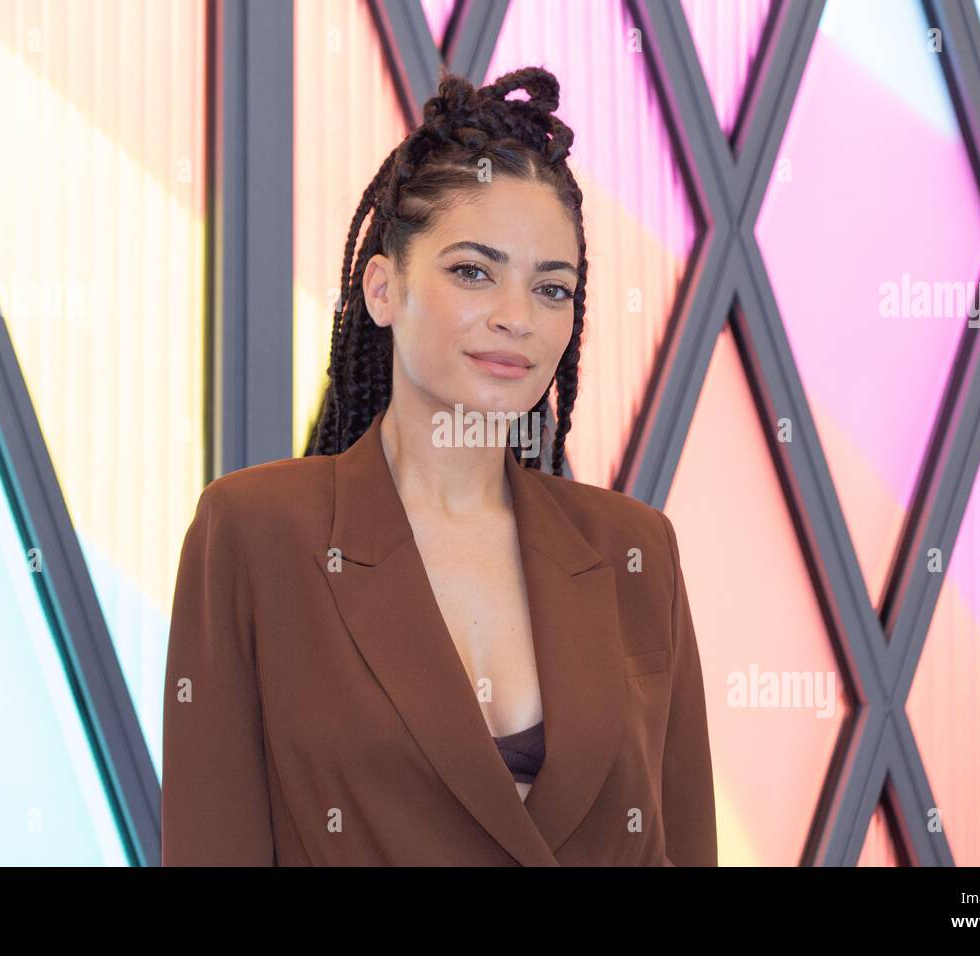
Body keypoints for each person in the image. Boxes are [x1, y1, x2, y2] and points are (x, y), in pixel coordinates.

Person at [162, 66, 717, 866]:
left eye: (552, 290)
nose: (515, 318)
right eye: (472, 272)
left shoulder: (637, 550)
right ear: (383, 289)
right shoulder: (255, 531)